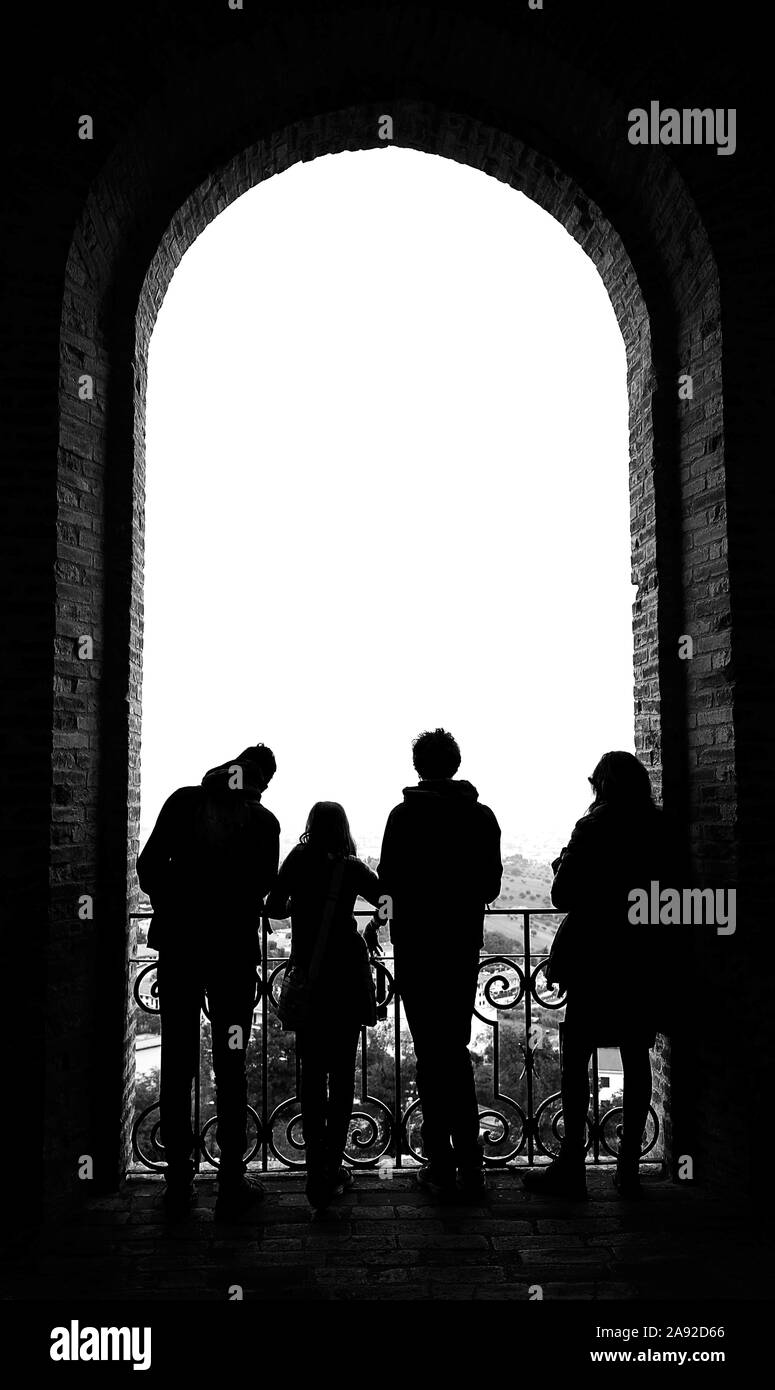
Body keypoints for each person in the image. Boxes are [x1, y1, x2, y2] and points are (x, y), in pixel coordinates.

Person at [523, 750, 682, 1201]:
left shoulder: (592, 828)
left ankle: (572, 1165)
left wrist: (563, 863)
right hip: (643, 957)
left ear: (601, 786)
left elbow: (562, 894)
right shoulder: (660, 828)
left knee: (577, 1061)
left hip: (595, 958)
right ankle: (628, 1168)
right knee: (636, 1055)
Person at [137, 744, 280, 1219]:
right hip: (232, 955)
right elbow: (260, 887)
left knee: (178, 1058)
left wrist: (179, 901)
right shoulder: (263, 824)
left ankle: (178, 1180)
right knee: (232, 1062)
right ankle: (231, 1180)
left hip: (181, 949)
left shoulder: (183, 801)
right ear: (260, 783)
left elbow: (148, 868)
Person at [373, 729, 503, 1202]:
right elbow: (489, 886)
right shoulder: (481, 817)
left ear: (418, 767)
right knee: (455, 1048)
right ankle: (471, 1162)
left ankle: (441, 1163)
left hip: (418, 946)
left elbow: (388, 882)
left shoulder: (404, 817)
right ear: (455, 762)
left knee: (432, 1053)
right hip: (460, 946)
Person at [265, 802, 382, 1211]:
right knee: (343, 1076)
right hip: (347, 977)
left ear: (311, 826)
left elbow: (275, 907)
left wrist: (301, 905)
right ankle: (332, 1167)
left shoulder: (298, 857)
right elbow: (387, 898)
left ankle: (316, 1170)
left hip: (312, 980)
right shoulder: (351, 866)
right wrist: (372, 926)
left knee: (312, 1077)